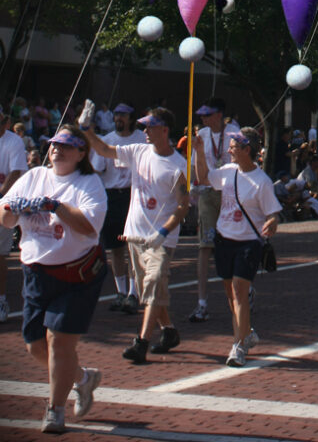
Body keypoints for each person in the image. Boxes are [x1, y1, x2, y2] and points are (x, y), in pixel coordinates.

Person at [0, 125, 107, 433]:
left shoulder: (89, 183)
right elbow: (4, 218)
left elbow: (89, 228)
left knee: (58, 341)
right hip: (36, 272)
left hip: (77, 274)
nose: (57, 149)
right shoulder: (33, 177)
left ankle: (55, 410)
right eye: (54, 144)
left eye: (66, 144)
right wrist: (13, 207)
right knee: (35, 346)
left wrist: (55, 205)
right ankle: (84, 379)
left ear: (82, 152)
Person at [81, 104, 189, 363]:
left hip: (161, 239)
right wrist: (86, 130)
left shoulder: (179, 164)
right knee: (147, 291)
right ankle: (169, 331)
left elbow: (183, 205)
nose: (145, 130)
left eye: (150, 126)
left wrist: (164, 232)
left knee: (152, 285)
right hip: (136, 233)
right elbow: (105, 150)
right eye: (144, 126)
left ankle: (141, 342)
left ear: (164, 130)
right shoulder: (138, 151)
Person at [193, 127, 281, 367]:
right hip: (224, 239)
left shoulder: (262, 182)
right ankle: (246, 333)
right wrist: (199, 151)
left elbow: (273, 212)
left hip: (249, 243)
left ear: (246, 150)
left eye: (234, 146)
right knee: (231, 295)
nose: (230, 149)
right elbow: (203, 178)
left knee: (240, 292)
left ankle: (238, 346)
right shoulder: (228, 172)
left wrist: (272, 222)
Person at [90, 103, 147, 314]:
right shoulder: (107, 141)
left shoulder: (142, 139)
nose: (118, 119)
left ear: (131, 118)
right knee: (115, 248)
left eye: (123, 115)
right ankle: (120, 292)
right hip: (112, 195)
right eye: (116, 116)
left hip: (134, 194)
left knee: (132, 245)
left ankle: (133, 293)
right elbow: (96, 170)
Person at [189, 100, 239, 323]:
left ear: (219, 115)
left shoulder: (234, 133)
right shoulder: (201, 135)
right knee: (205, 247)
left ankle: (241, 293)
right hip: (208, 194)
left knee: (234, 245)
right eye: (202, 115)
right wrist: (192, 185)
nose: (203, 119)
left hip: (231, 195)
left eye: (207, 115)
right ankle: (202, 303)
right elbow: (193, 165)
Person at [0, 110, 29, 322]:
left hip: (5, 202)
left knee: (0, 255)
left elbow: (15, 173)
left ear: (6, 122)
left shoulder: (13, 142)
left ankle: (1, 300)